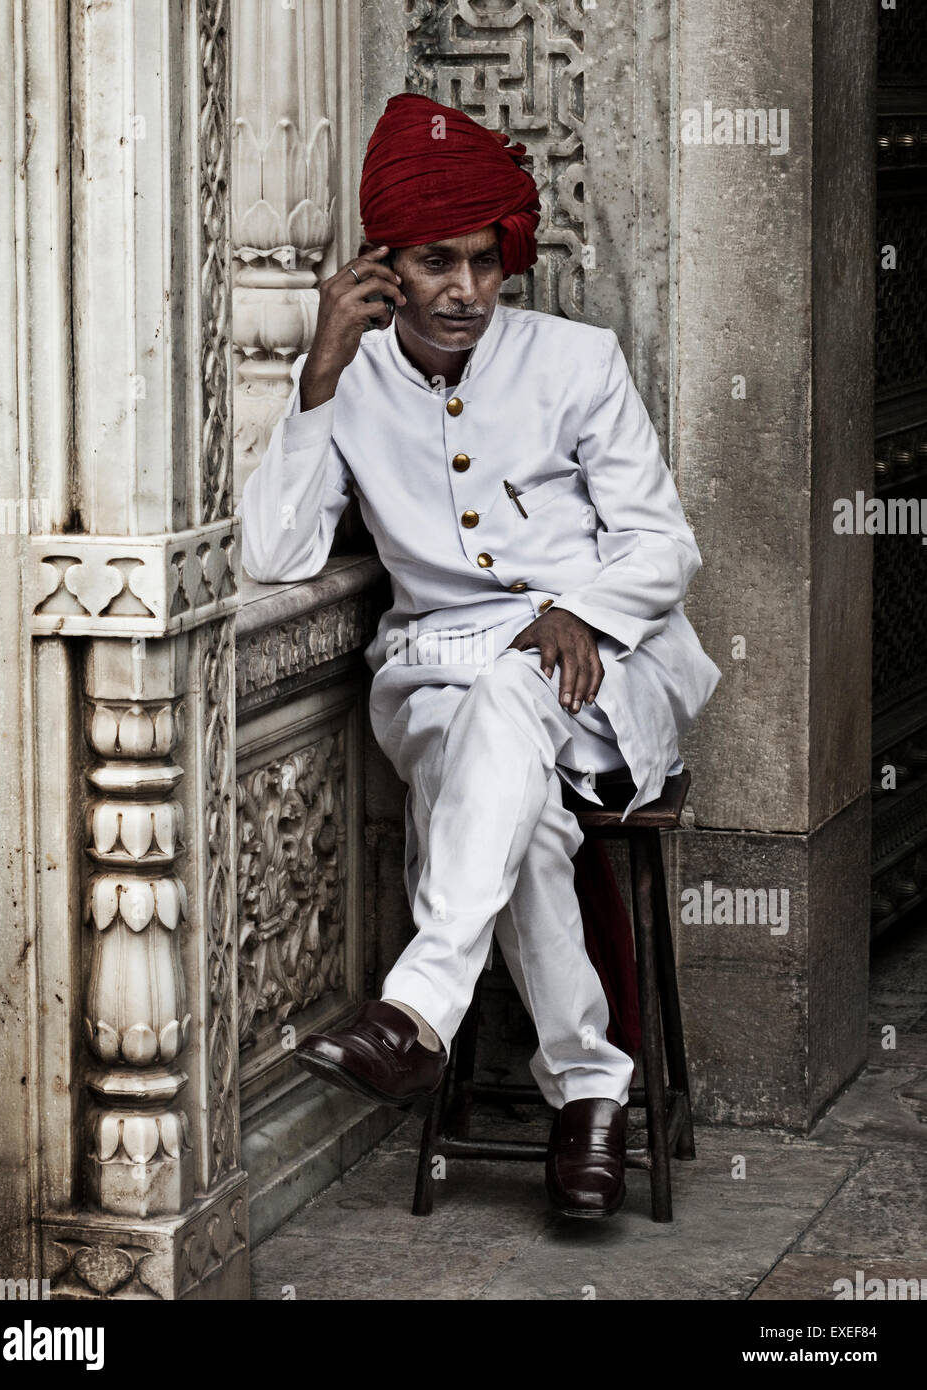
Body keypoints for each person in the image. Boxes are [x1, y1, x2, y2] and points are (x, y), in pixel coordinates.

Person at [238, 93, 720, 1219]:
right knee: (520, 801)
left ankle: (415, 1010)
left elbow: (664, 543)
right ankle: (589, 1088)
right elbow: (275, 550)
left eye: (483, 262)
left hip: (596, 679)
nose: (463, 290)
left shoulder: (577, 362)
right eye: (432, 263)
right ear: (383, 268)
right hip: (431, 681)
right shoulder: (346, 382)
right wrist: (316, 376)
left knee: (514, 692)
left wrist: (585, 614)